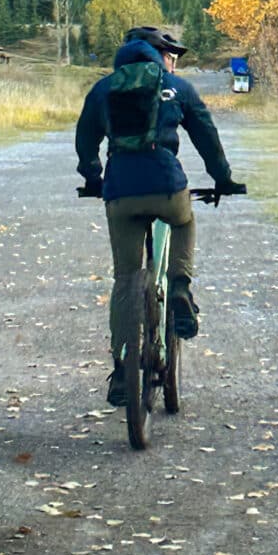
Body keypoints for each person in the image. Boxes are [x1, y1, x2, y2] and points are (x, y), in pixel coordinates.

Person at [75, 22, 246, 407]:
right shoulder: (178, 88)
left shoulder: (104, 88)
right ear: (162, 56)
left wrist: (93, 177)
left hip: (120, 191)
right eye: (172, 56)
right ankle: (181, 289)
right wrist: (224, 180)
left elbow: (85, 138)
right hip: (167, 186)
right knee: (184, 219)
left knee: (125, 279)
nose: (174, 62)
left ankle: (122, 372)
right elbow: (206, 136)